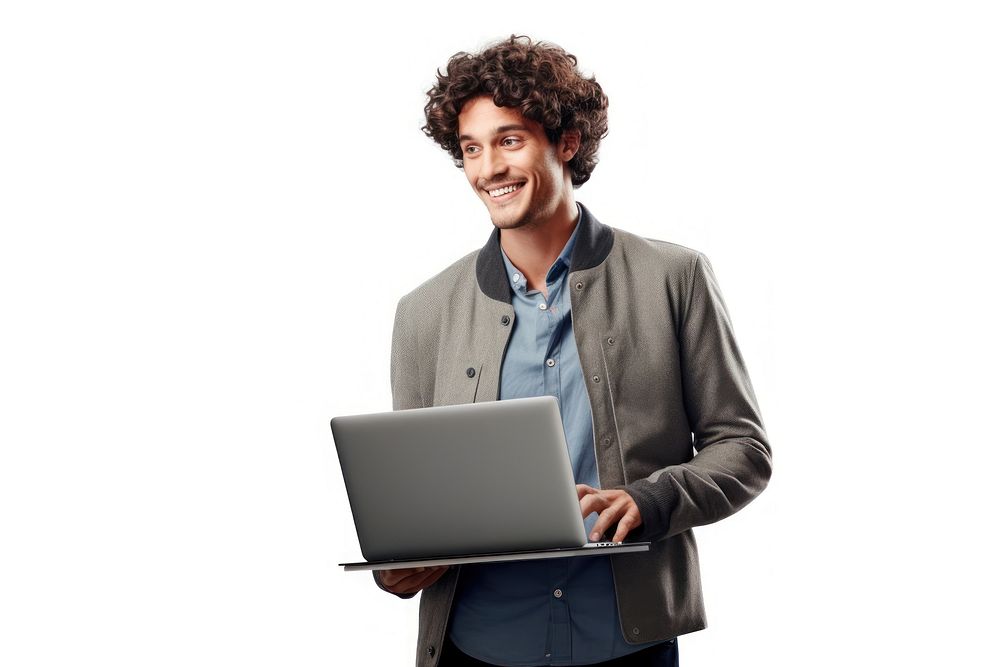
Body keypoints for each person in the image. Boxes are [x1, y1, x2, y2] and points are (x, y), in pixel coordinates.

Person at [375, 35, 772, 667]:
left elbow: (743, 449)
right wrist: (400, 565)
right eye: (471, 149)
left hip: (626, 642)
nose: (487, 170)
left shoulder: (674, 277)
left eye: (509, 140)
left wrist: (650, 500)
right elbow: (416, 503)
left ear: (567, 141)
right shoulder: (422, 314)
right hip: (478, 645)